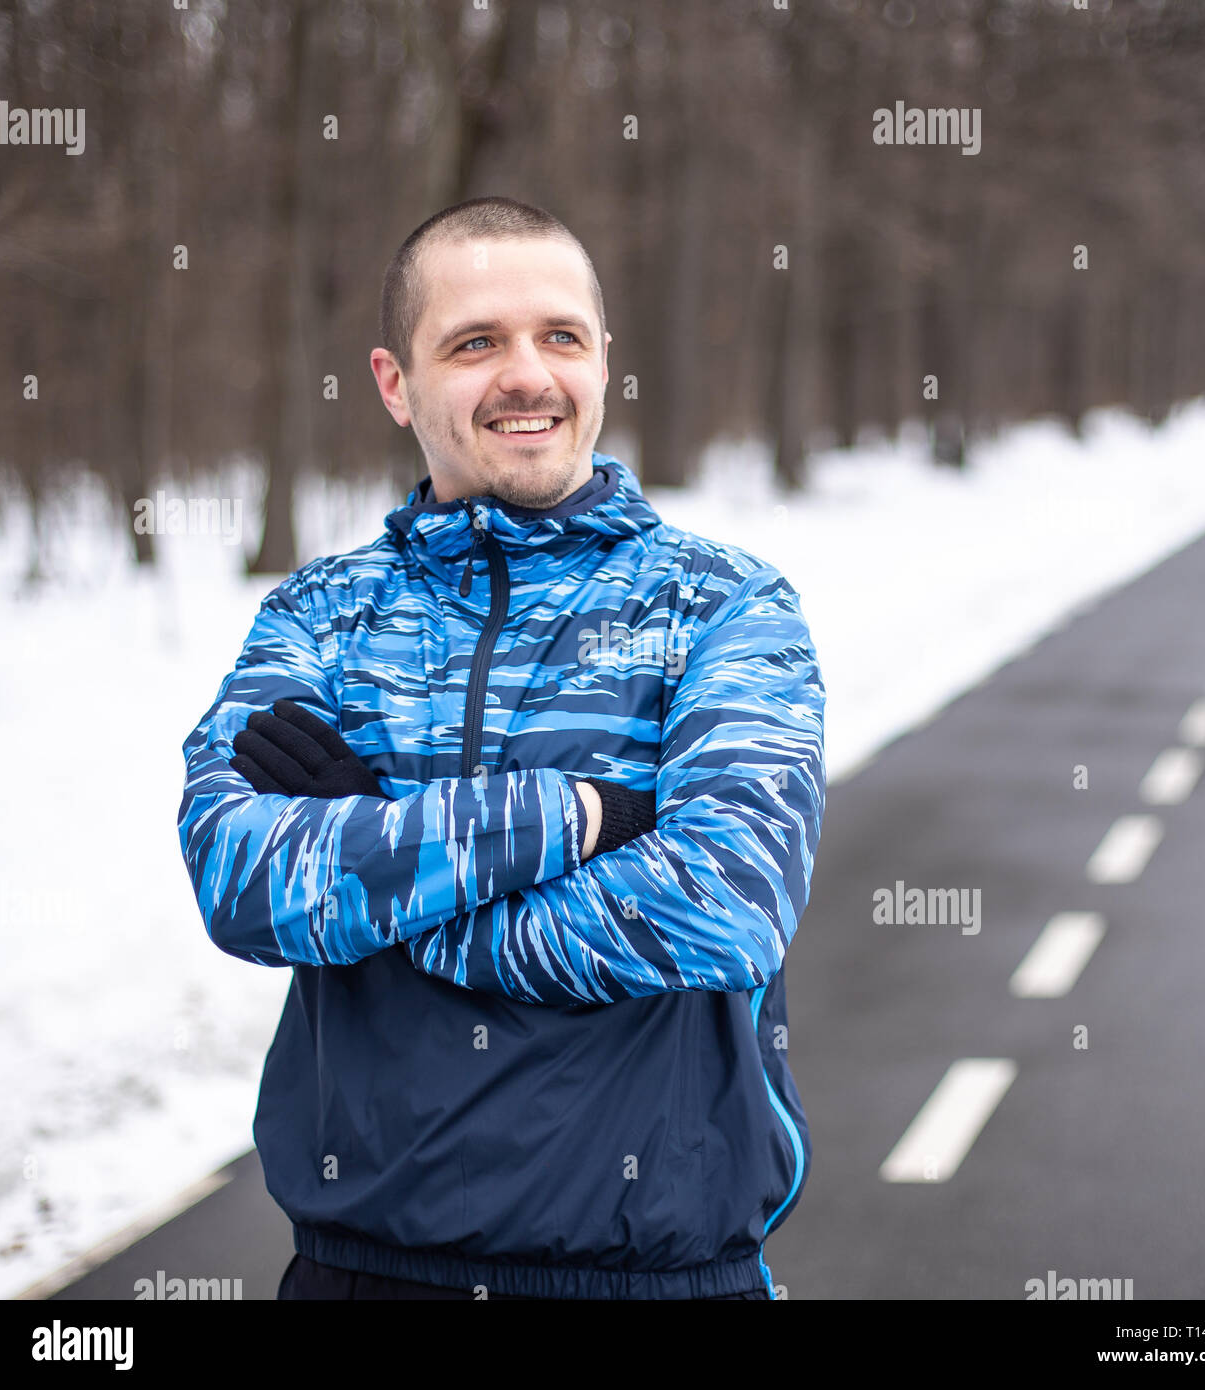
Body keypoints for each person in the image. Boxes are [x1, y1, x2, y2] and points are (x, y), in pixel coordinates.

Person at [177, 196, 826, 1301]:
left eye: (559, 336)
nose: (526, 375)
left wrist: (392, 897)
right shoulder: (321, 615)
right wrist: (571, 818)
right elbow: (242, 880)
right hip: (353, 1274)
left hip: (657, 1281)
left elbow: (723, 901)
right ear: (394, 382)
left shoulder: (719, 607)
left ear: (602, 361)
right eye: (474, 342)